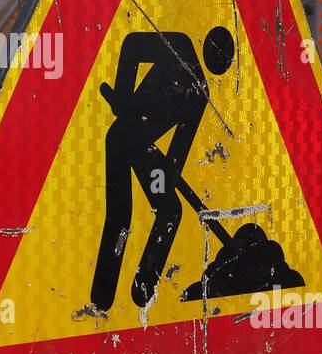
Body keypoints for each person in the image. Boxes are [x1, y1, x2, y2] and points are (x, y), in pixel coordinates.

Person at [87, 26, 235, 312]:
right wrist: (124, 92)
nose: (218, 61)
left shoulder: (200, 93)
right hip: (121, 140)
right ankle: (101, 298)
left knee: (170, 210)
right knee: (120, 214)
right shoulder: (179, 46)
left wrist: (170, 170)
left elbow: (179, 148)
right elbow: (131, 45)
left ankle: (143, 287)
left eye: (223, 60)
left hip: (144, 151)